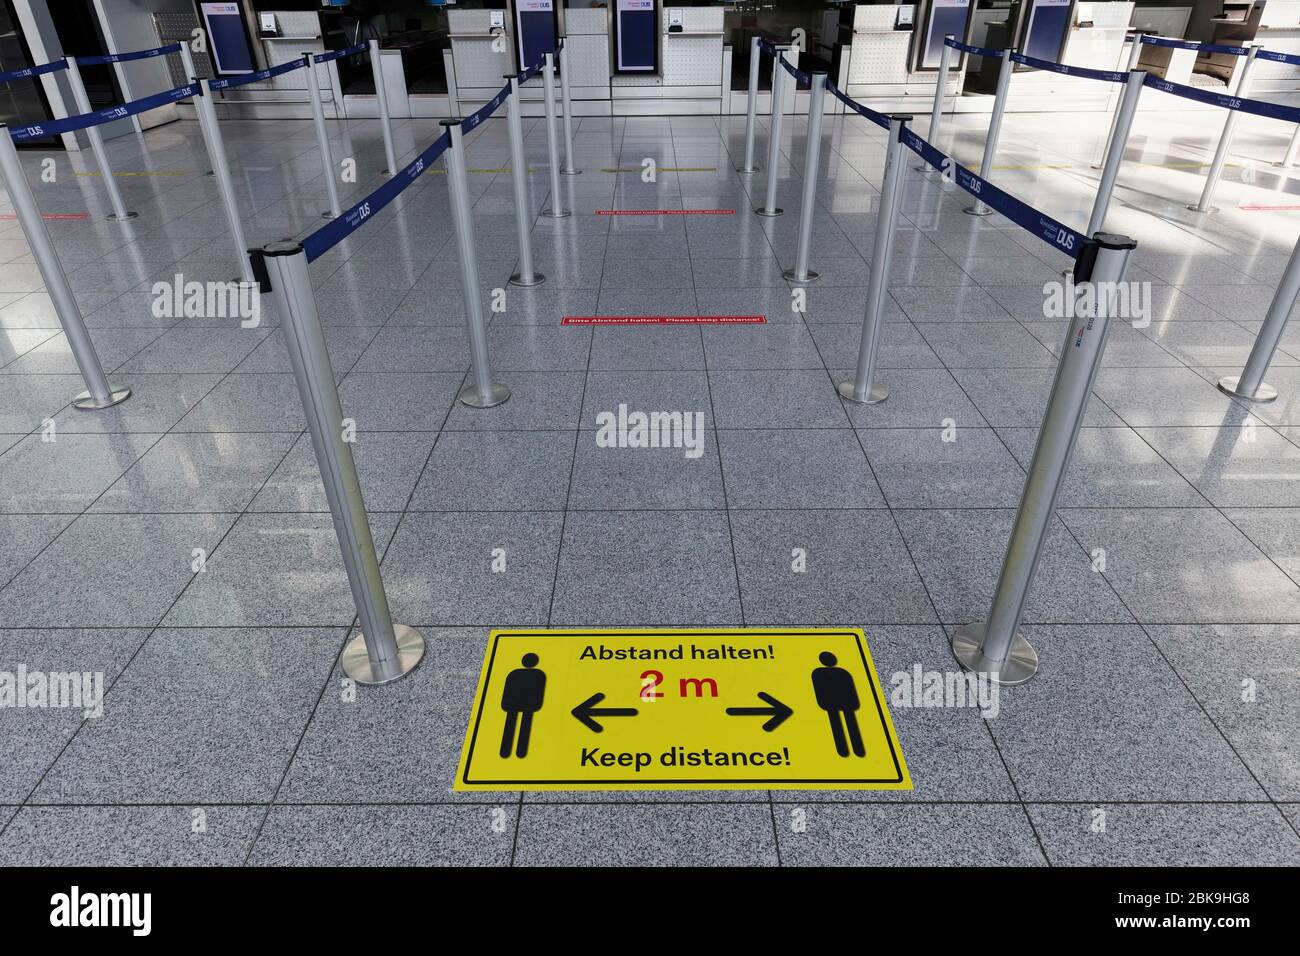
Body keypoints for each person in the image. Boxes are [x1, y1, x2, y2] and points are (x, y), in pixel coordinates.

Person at [810, 651, 865, 758]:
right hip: (840, 703)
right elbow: (819, 690)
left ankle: (853, 750)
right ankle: (847, 750)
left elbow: (850, 688)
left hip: (835, 703)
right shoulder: (840, 672)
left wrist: (823, 703)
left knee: (842, 725)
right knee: (844, 725)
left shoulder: (818, 672)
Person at [499, 652, 546, 758]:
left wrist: (506, 704)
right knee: (523, 726)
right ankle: (516, 752)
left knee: (512, 726)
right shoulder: (538, 674)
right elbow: (539, 691)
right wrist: (536, 705)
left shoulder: (514, 673)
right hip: (527, 705)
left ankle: (508, 751)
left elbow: (539, 691)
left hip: (516, 705)